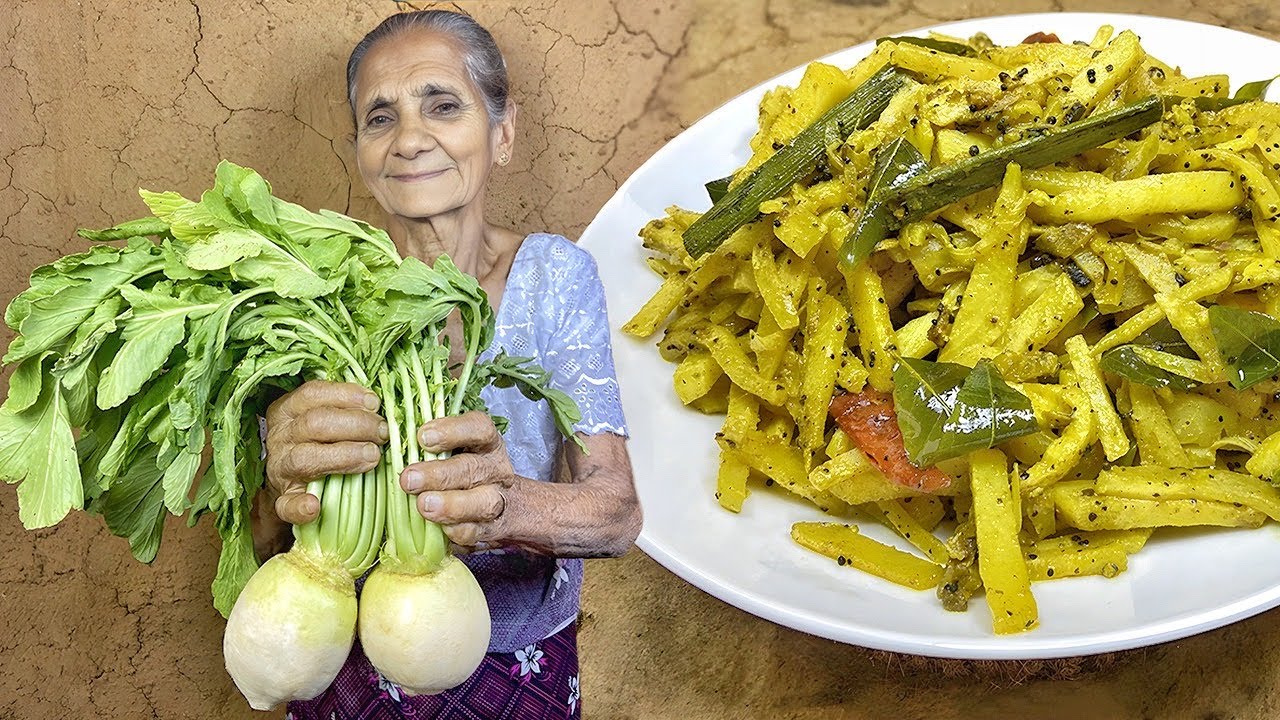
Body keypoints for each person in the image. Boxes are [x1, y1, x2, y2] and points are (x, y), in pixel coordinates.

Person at [250, 9, 642, 719]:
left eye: (443, 106)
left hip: (518, 670)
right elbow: (262, 538)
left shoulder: (555, 276)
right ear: (360, 151)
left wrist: (502, 507)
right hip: (340, 656)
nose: (410, 139)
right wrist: (279, 479)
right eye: (380, 118)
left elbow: (615, 514)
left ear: (503, 131)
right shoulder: (310, 297)